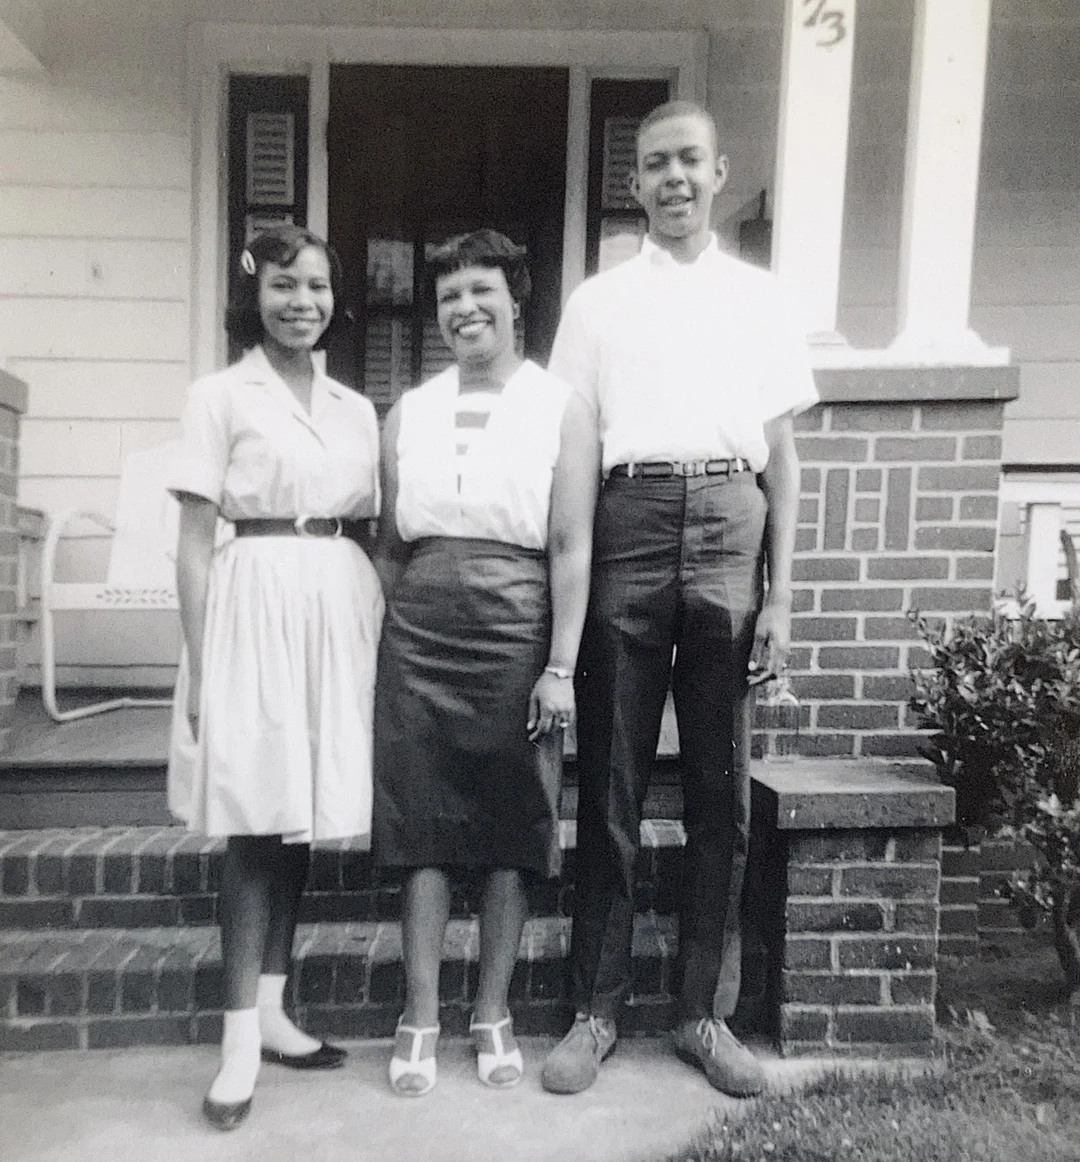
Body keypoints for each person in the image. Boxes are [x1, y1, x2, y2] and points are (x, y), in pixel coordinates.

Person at [540, 101, 818, 1099]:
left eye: (689, 160)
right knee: (611, 784)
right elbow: (575, 454)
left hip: (732, 520)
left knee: (719, 793)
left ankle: (704, 1012)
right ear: (635, 184)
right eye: (655, 164)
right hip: (631, 515)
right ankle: (596, 1009)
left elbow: (783, 459)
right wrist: (571, 589)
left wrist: (781, 598)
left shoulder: (761, 299)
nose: (673, 179)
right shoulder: (598, 304)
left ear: (719, 171)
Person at [372, 229, 599, 1096]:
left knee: (512, 826)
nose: (464, 310)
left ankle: (492, 1011)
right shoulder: (410, 410)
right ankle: (420, 1015)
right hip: (420, 631)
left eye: (481, 292)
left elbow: (571, 544)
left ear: (516, 301)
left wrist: (560, 666)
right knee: (421, 825)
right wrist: (384, 637)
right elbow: (390, 544)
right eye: (449, 297)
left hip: (516, 629)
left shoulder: (559, 406)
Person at [167, 225, 383, 1130]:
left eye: (318, 286)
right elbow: (192, 543)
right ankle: (236, 1045)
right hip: (251, 605)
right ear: (252, 296)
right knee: (255, 823)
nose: (303, 302)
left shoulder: (355, 407)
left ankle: (274, 1011)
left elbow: (371, 527)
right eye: (285, 285)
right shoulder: (218, 396)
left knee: (298, 817)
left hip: (336, 605)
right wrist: (202, 663)